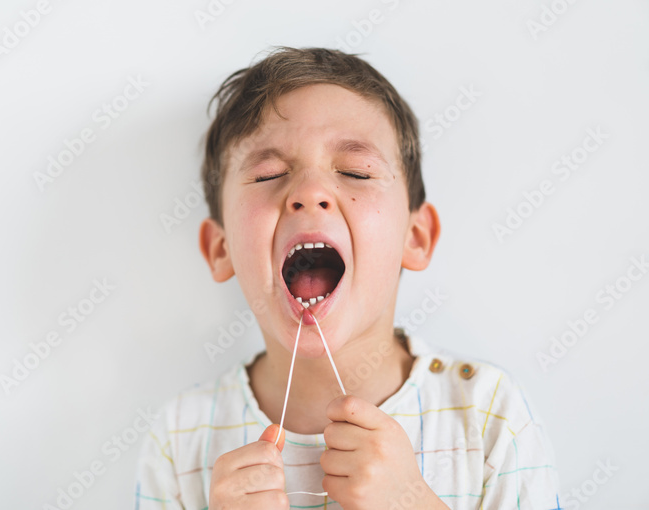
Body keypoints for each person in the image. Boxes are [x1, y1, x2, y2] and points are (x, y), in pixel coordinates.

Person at [134, 47, 560, 509]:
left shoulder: (487, 413)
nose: (310, 192)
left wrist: (410, 502)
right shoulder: (181, 437)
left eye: (356, 172)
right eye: (268, 174)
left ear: (415, 238)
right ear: (221, 249)